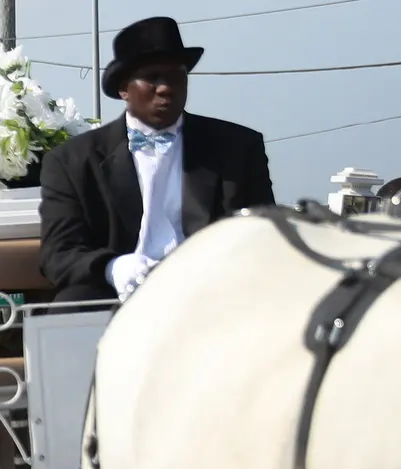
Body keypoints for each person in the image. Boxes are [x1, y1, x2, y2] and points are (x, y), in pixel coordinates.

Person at [37, 15, 276, 303]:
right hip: (116, 297)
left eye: (176, 76)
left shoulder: (237, 147)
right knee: (69, 307)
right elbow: (58, 254)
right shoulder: (71, 162)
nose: (165, 88)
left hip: (214, 294)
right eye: (152, 77)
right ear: (124, 89)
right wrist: (115, 268)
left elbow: (264, 236)